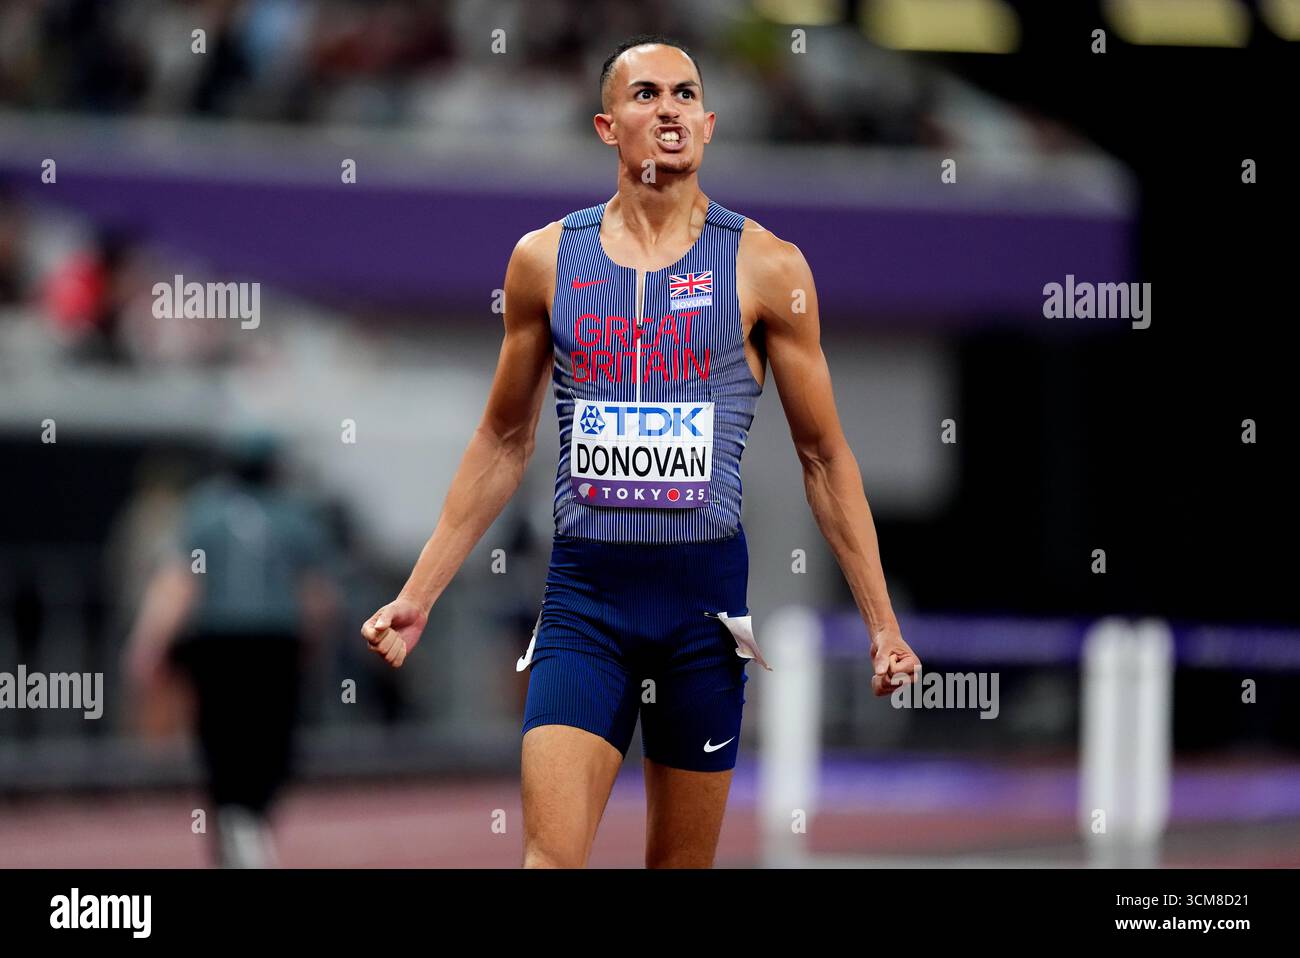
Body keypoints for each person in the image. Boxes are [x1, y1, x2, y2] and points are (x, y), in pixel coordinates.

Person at [361, 35, 920, 868]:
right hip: (586, 602)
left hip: (701, 613)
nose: (669, 109)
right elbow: (504, 438)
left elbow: (825, 458)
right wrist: (420, 591)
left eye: (686, 94)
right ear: (605, 124)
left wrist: (882, 624)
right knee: (550, 859)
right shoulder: (544, 261)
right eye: (647, 93)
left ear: (710, 122)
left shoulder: (768, 267)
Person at [125, 433, 338, 867]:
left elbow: (178, 584)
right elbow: (317, 596)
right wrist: (311, 648)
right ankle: (251, 818)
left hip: (218, 646)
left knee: (220, 741)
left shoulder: (203, 512)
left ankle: (234, 821)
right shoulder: (295, 515)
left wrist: (148, 645)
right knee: (273, 742)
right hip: (276, 645)